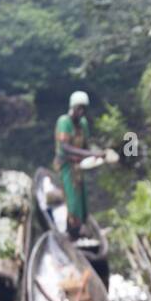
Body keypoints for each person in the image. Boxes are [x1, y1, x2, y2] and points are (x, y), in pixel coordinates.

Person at [53, 90, 93, 237]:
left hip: (79, 166)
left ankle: (82, 224)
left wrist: (95, 155)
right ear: (72, 108)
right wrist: (90, 154)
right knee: (72, 198)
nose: (81, 112)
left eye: (83, 109)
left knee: (81, 197)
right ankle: (72, 231)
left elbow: (87, 146)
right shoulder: (64, 122)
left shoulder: (83, 123)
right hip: (66, 165)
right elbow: (65, 147)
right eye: (79, 109)